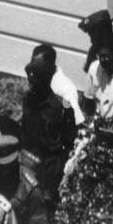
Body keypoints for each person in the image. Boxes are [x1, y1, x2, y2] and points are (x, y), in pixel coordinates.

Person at [21, 53, 77, 206]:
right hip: (27, 163)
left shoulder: (62, 106)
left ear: (46, 80)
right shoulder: (27, 100)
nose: (32, 85)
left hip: (49, 171)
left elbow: (69, 141)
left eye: (36, 81)